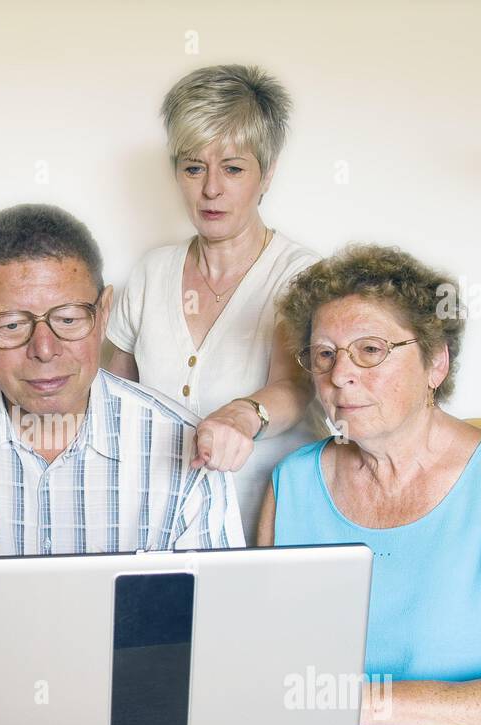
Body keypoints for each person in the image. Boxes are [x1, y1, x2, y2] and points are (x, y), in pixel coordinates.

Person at [257, 244, 481, 725]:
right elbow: (259, 667)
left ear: (435, 364)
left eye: (370, 350)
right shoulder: (290, 485)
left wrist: (371, 705)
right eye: (324, 355)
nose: (340, 374)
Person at [0, 203, 244, 558]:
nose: (44, 350)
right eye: (12, 325)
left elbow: (216, 608)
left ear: (105, 312)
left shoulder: (189, 454)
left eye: (68, 320)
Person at [106, 64, 321, 542]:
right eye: (194, 167)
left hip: (265, 530)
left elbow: (296, 387)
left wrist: (243, 415)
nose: (211, 189)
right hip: (156, 535)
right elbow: (113, 400)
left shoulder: (300, 276)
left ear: (266, 174)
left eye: (233, 168)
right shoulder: (149, 273)